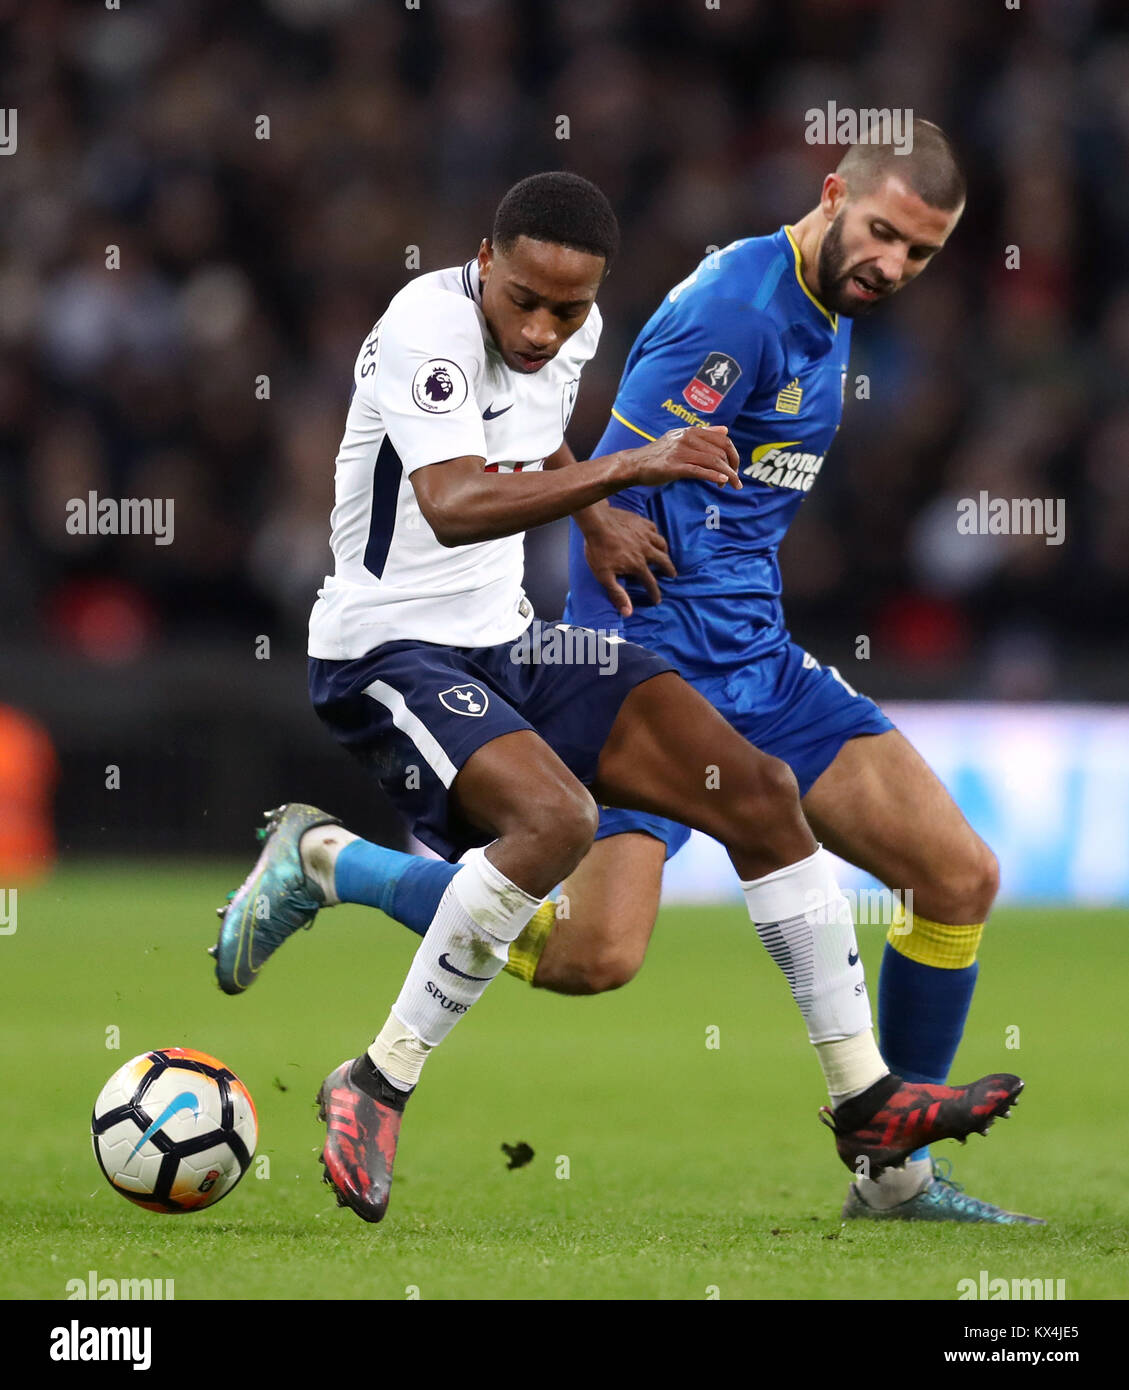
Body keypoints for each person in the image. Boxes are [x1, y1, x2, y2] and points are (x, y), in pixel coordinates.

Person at [212, 171, 1021, 1225]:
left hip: (527, 641)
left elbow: (539, 433)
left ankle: (874, 1122)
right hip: (392, 650)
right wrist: (624, 473)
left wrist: (592, 511)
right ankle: (371, 1060)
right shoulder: (431, 322)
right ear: (484, 261)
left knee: (768, 801)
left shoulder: (584, 329)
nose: (547, 329)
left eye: (571, 309)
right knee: (566, 862)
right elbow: (455, 502)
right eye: (527, 305)